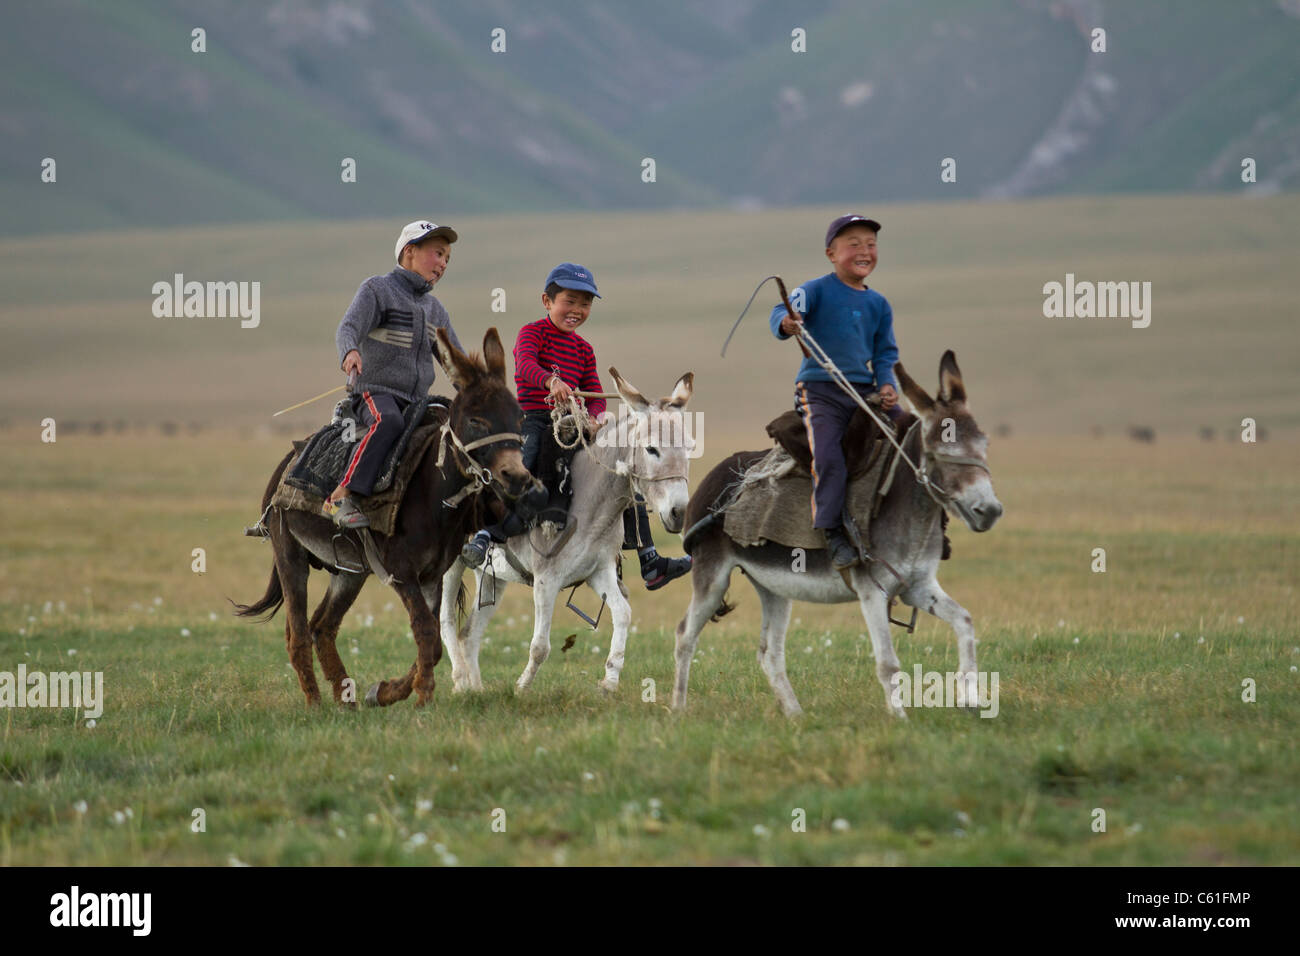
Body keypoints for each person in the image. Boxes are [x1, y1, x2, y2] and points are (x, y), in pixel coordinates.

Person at [461, 263, 691, 590]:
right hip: (533, 420)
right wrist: (550, 380)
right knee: (525, 465)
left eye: (585, 304)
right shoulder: (532, 332)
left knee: (624, 470)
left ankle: (650, 559)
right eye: (569, 301)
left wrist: (596, 416)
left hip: (575, 425)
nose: (577, 310)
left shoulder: (584, 350)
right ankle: (489, 534)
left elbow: (594, 392)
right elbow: (524, 365)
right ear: (547, 301)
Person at [770, 214, 905, 571]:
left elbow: (885, 353)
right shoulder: (815, 289)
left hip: (865, 392)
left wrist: (888, 384)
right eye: (854, 244)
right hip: (819, 391)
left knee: (914, 433)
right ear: (831, 253)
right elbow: (783, 311)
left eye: (871, 244)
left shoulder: (878, 304)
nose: (865, 251)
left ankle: (920, 512)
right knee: (828, 454)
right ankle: (832, 531)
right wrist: (787, 322)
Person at [324, 220, 464, 529]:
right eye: (438, 254)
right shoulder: (378, 290)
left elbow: (454, 362)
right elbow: (348, 328)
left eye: (447, 259)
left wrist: (478, 388)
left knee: (454, 435)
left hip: (418, 402)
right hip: (376, 392)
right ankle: (343, 496)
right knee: (389, 421)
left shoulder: (436, 310)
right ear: (410, 252)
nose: (442, 264)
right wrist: (350, 352)